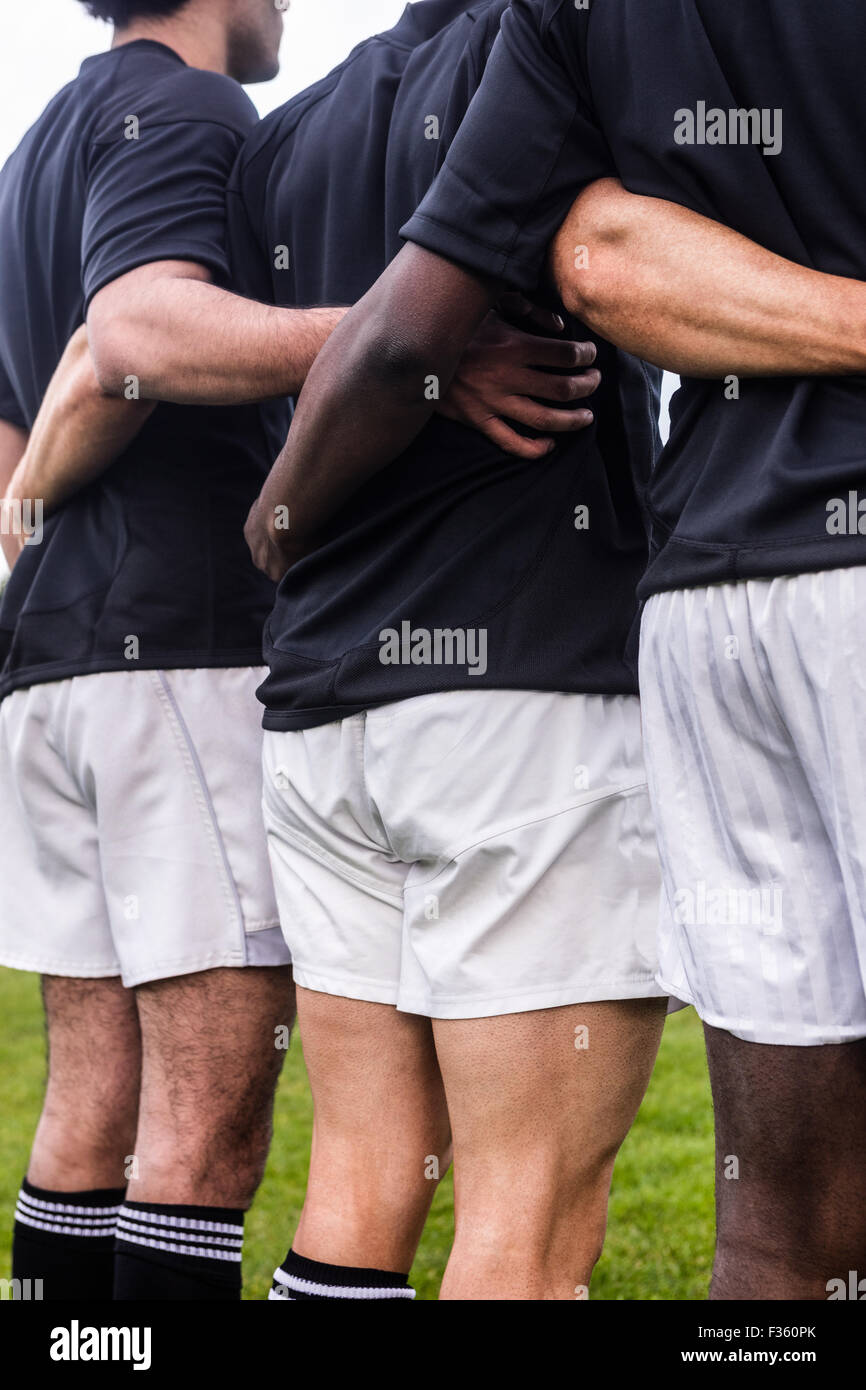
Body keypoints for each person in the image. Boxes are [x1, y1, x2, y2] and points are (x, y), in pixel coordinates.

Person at [251, 0, 866, 1300]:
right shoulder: (527, 45)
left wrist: (282, 519)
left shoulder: (301, 123)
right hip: (523, 691)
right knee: (522, 1230)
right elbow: (440, 317)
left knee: (367, 1177)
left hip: (337, 688)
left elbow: (572, 260)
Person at [0, 0, 604, 1302]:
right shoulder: (202, 112)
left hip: (54, 662)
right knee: (202, 1132)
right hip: (181, 651)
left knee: (91, 1105)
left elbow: (40, 405)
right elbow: (137, 336)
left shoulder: (30, 156)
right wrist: (414, 347)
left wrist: (32, 524)